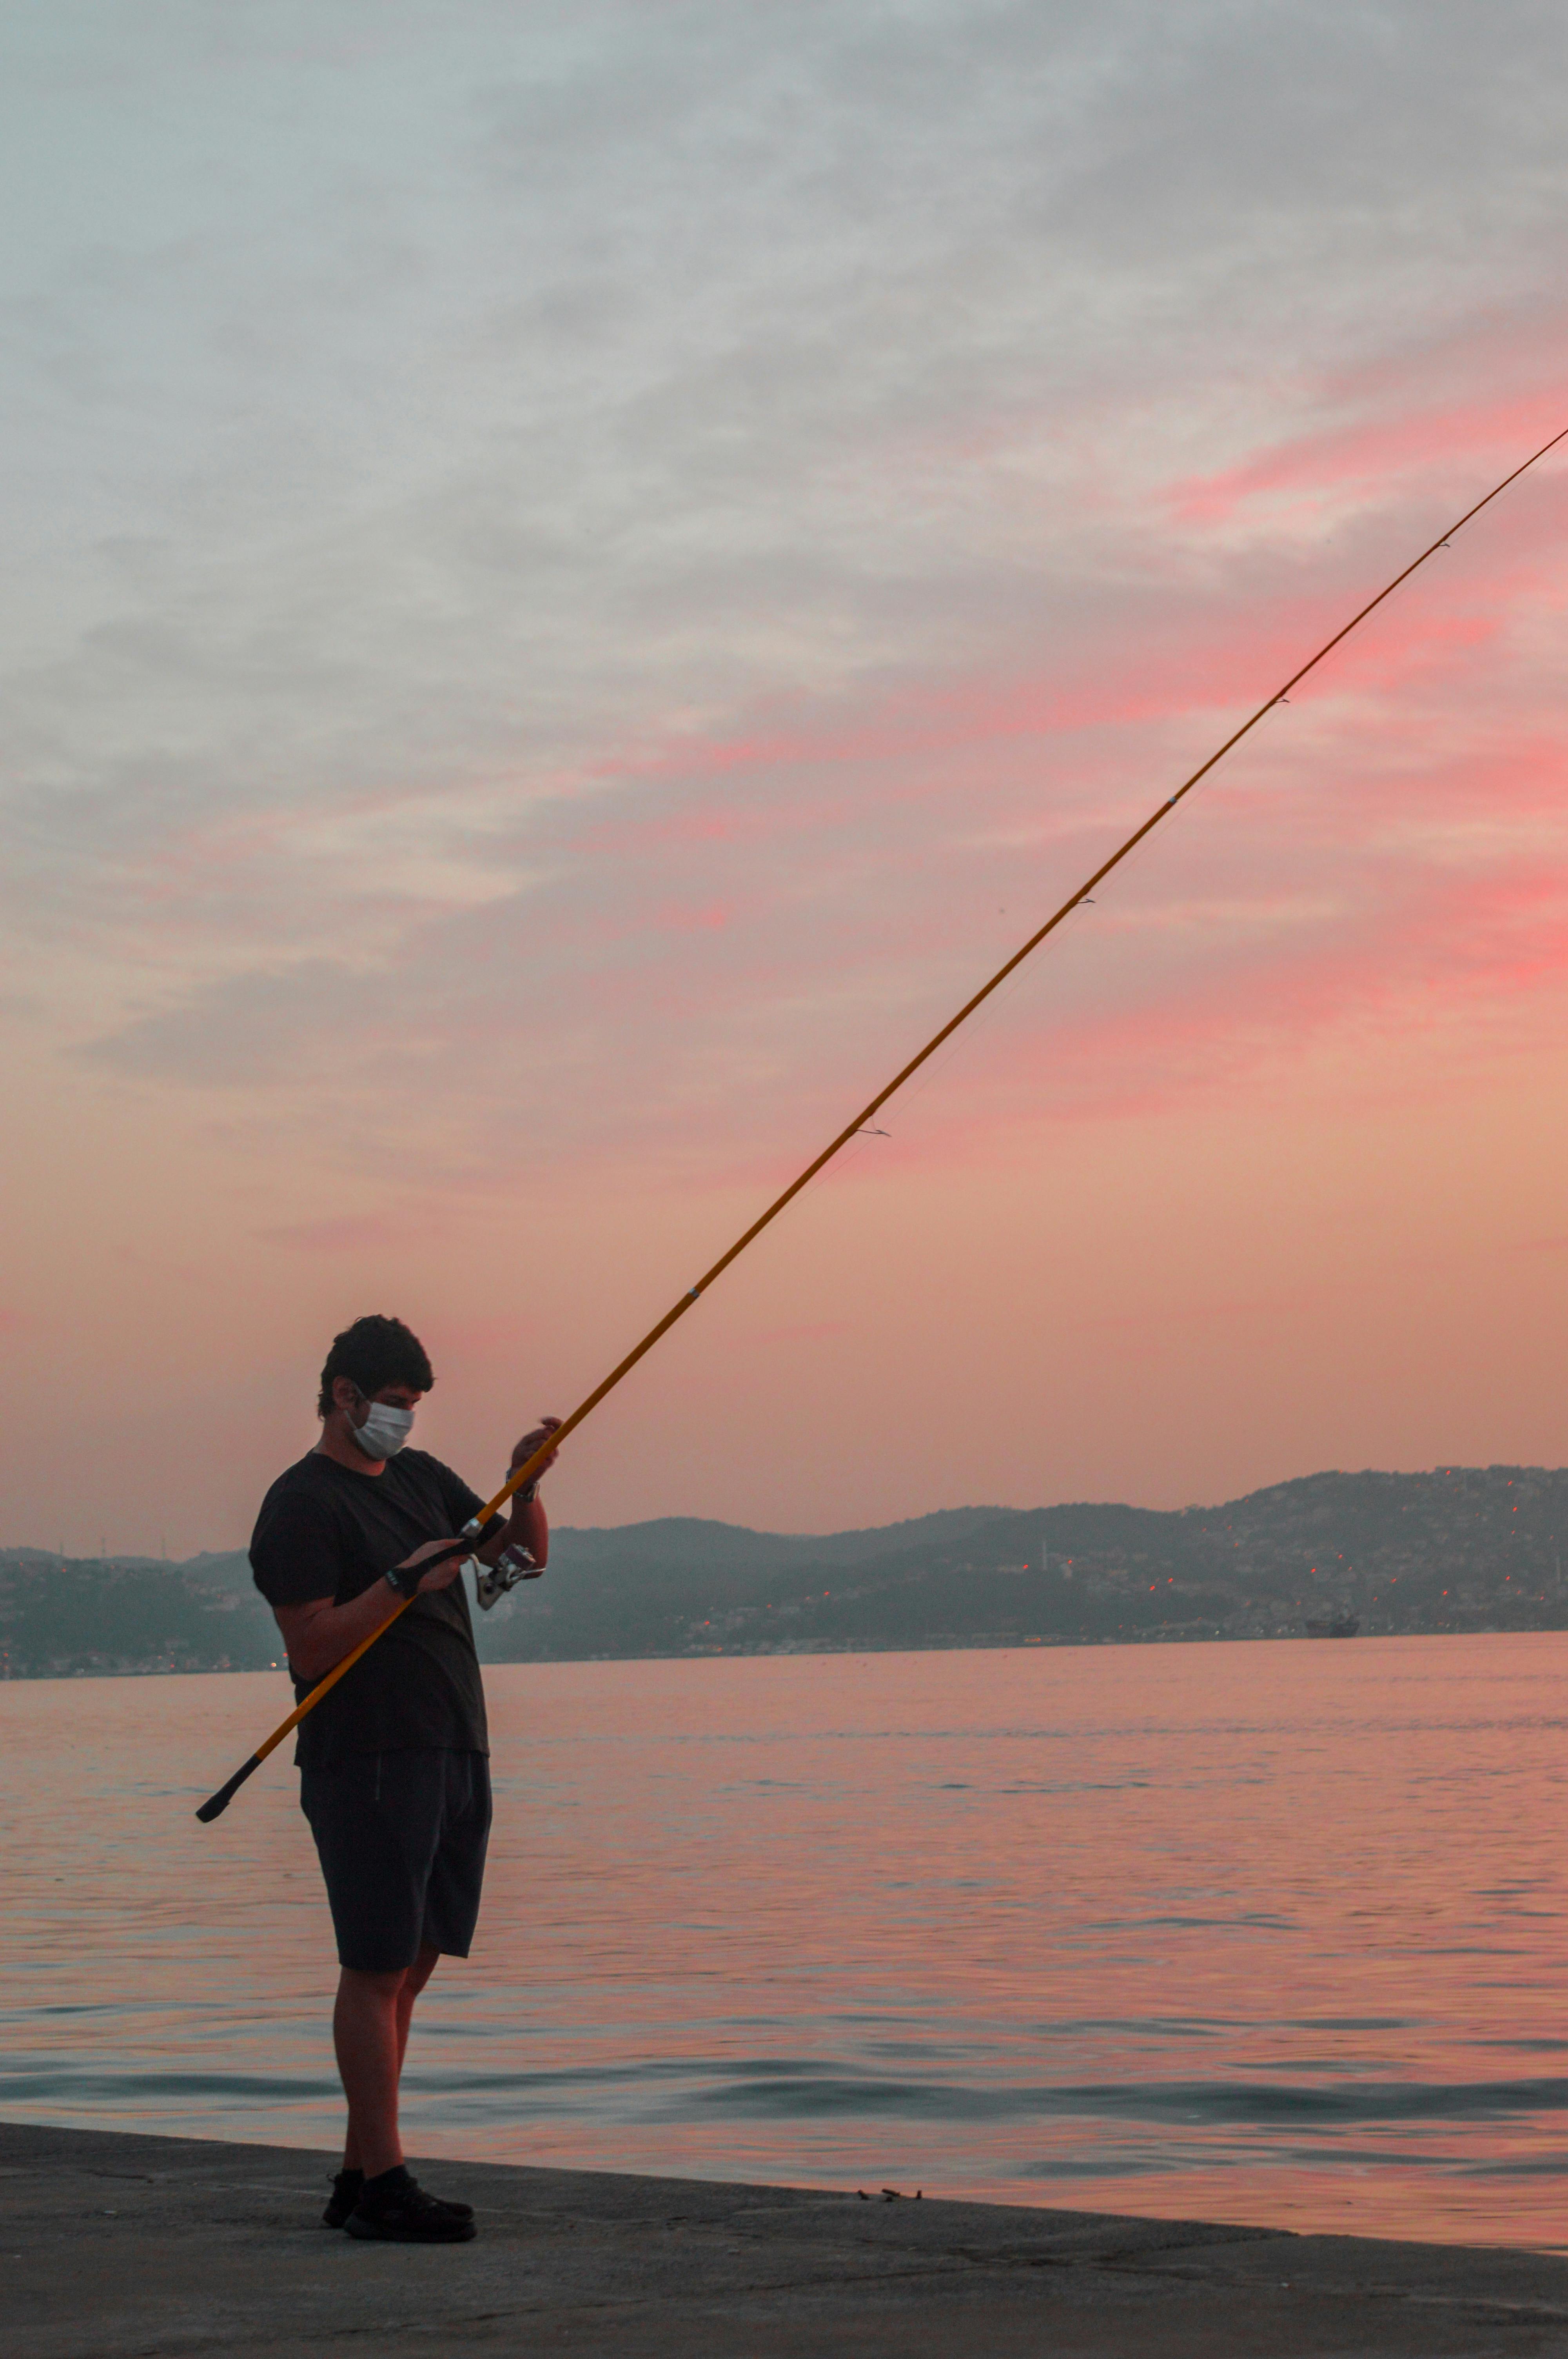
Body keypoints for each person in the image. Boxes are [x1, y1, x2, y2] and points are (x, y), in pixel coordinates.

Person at [250, 1313, 559, 2244]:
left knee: (415, 1962)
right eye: (392, 1404)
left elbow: (520, 1556)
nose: (405, 1422)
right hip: (370, 1754)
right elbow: (307, 1645)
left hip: (454, 1741)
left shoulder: (423, 1480)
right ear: (343, 1397)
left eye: (415, 1407)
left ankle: (358, 2169)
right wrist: (399, 1581)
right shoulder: (299, 1504)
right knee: (375, 1962)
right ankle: (384, 2179)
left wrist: (531, 1484)